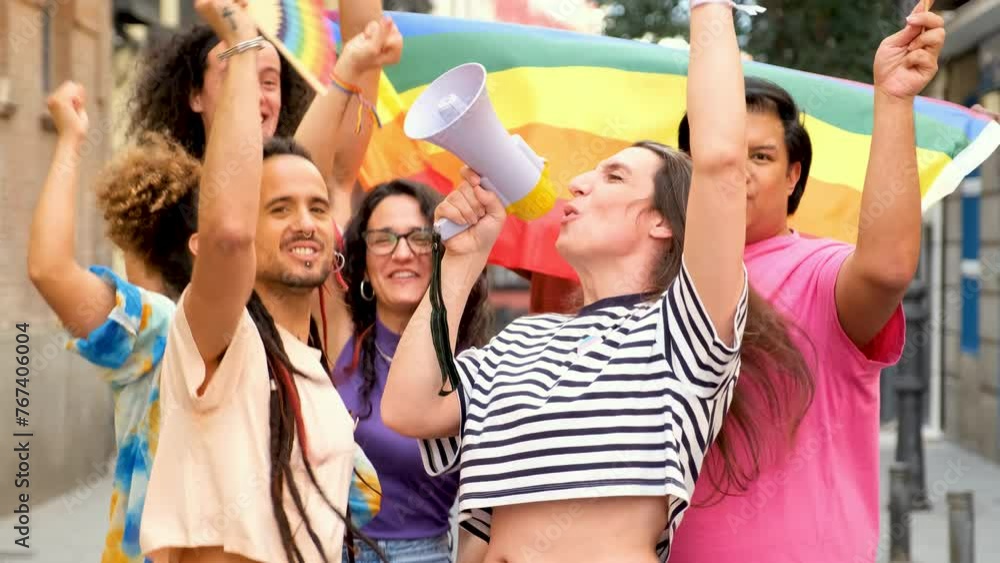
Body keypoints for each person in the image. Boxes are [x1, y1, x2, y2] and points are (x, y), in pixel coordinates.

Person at [380, 2, 814, 561]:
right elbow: (410, 409)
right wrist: (461, 259)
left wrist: (709, 10)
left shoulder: (680, 334)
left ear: (662, 220)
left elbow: (721, 160)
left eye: (613, 176)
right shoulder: (521, 342)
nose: (579, 183)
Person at [667, 4, 945, 563]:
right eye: (716, 153)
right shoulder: (656, 275)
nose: (736, 170)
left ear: (794, 175)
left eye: (762, 156)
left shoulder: (819, 271)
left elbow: (888, 267)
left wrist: (893, 100)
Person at [138, 1, 401, 562]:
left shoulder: (309, 347)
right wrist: (240, 42)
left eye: (317, 209)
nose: (306, 222)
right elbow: (231, 232)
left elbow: (322, 167)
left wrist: (351, 71)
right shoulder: (220, 336)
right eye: (279, 210)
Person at [27, 81, 200, 563]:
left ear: (125, 232)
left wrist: (69, 139)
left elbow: (49, 269)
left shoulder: (158, 323)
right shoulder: (233, 325)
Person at [323, 179, 492, 563]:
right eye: (383, 239)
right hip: (322, 549)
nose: (402, 253)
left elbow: (486, 512)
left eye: (419, 237)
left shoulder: (470, 366)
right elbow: (333, 172)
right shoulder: (339, 334)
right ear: (361, 261)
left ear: (441, 253)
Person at [127, 0, 386, 229]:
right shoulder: (158, 208)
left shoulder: (321, 181)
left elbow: (365, 42)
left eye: (270, 82)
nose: (256, 95)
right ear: (195, 96)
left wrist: (357, 58)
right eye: (236, 74)